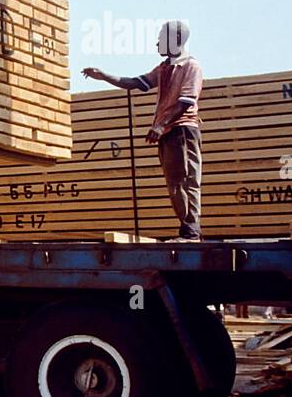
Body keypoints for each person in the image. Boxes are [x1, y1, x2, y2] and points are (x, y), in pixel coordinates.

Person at [82, 20, 204, 241]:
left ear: (176, 40)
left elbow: (185, 102)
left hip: (182, 130)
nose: (158, 42)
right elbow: (136, 83)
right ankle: (187, 230)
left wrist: (160, 125)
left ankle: (191, 232)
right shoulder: (164, 68)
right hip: (167, 131)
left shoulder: (190, 67)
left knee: (186, 180)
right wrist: (103, 76)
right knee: (174, 184)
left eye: (162, 38)